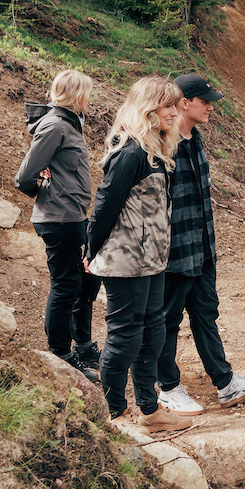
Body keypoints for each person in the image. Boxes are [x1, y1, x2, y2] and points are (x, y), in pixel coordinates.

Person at [154, 74, 245, 414]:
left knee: (206, 313)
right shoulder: (162, 143)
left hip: (202, 250)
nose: (210, 108)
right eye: (205, 102)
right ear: (184, 103)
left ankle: (226, 384)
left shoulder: (196, 139)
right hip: (174, 252)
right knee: (168, 321)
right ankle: (167, 388)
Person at [85, 75, 194, 430]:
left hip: (151, 262)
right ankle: (115, 413)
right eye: (167, 106)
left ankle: (149, 411)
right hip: (125, 262)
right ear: (147, 109)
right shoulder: (130, 152)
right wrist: (90, 249)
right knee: (125, 336)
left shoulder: (156, 151)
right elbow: (105, 204)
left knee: (153, 334)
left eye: (175, 106)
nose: (174, 113)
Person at [14, 69, 102, 380]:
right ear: (78, 96)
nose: (89, 98)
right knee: (66, 286)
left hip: (73, 215)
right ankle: (61, 355)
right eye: (86, 93)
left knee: (88, 281)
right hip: (58, 218)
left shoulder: (70, 122)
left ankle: (84, 346)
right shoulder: (54, 125)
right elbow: (24, 176)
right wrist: (45, 190)